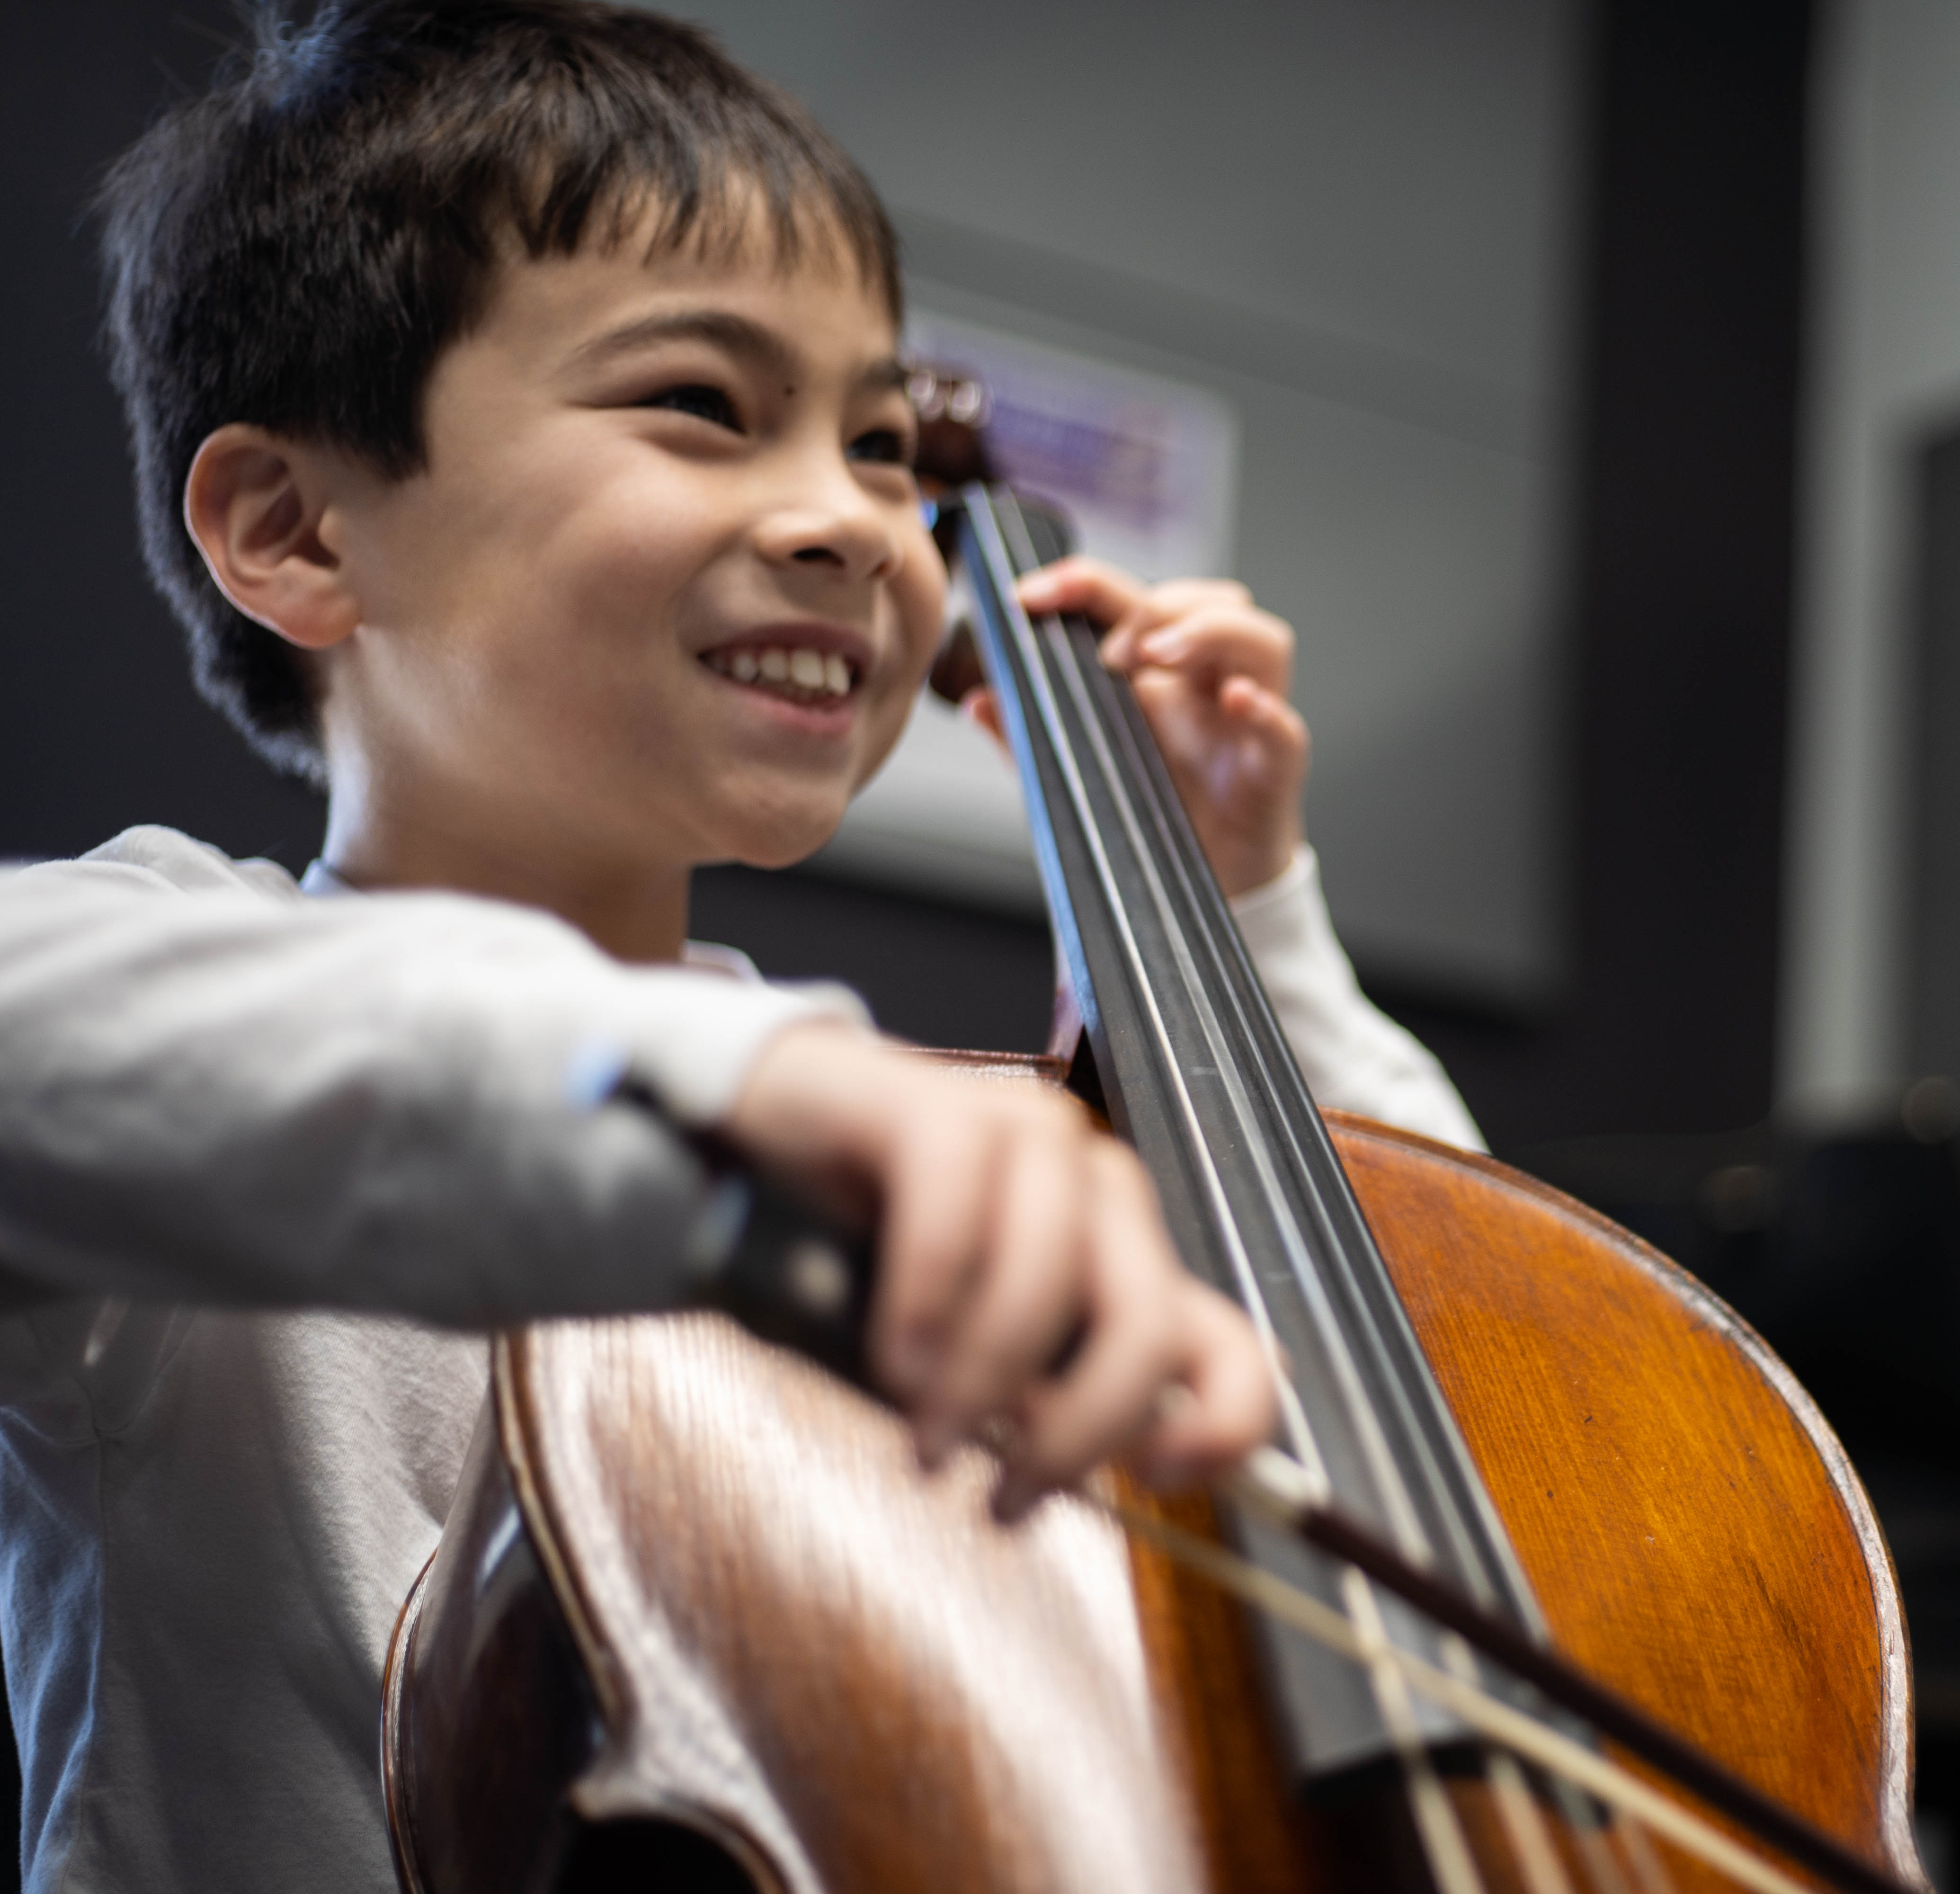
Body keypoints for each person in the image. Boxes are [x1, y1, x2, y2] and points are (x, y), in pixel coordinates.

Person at [0, 2, 1481, 1888]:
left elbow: (1462, 1351)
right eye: (703, 403)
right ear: (295, 528)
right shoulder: (192, 1001)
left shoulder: (906, 1132)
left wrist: (1245, 918)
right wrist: (738, 1093)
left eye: (882, 442)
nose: (857, 521)